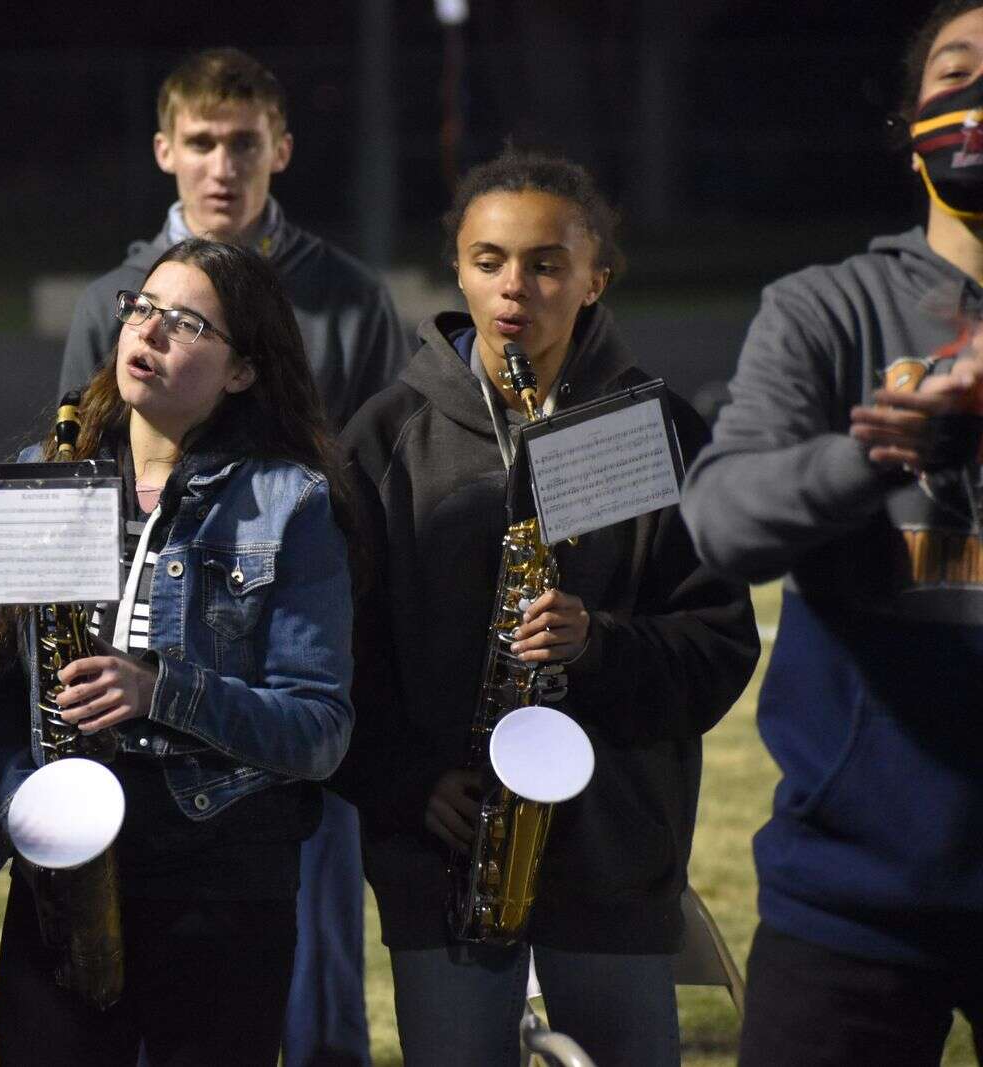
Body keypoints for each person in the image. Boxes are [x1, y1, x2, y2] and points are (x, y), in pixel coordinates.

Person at [333, 149, 759, 1066]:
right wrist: (407, 784)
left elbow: (720, 644)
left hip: (612, 860)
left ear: (596, 279)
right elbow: (339, 658)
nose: (512, 287)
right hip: (447, 854)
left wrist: (597, 645)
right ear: (457, 267)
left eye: (546, 263)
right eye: (488, 260)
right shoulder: (384, 436)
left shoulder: (656, 428)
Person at [57, 50, 403, 1064]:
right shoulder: (109, 301)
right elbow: (76, 468)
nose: (221, 166)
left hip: (287, 646)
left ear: (280, 150)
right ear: (165, 150)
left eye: (243, 142)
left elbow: (369, 490)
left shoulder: (344, 294)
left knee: (305, 946)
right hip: (132, 691)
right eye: (200, 143)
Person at [0, 237, 355, 1066]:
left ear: (243, 369)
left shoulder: (290, 501)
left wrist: (161, 690)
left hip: (222, 881)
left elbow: (318, 729)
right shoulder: (42, 473)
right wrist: (22, 809)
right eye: (143, 309)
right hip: (64, 876)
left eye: (186, 323)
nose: (150, 332)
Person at [681, 3, 983, 1063]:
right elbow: (720, 522)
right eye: (956, 68)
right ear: (910, 124)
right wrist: (878, 454)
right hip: (851, 894)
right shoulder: (826, 309)